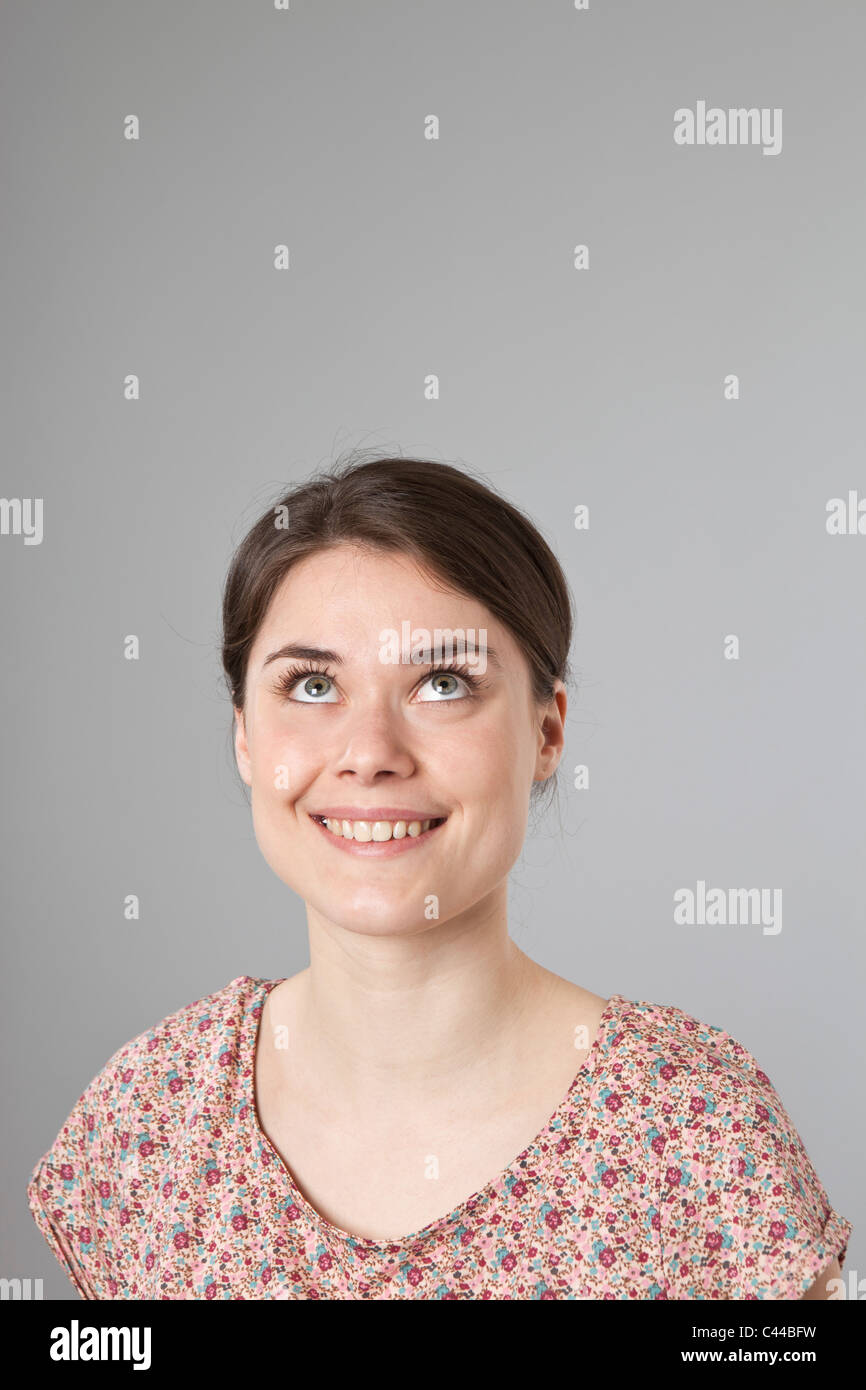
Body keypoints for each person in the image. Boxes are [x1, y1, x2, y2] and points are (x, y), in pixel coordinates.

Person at [27, 452, 852, 1299]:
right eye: (313, 686)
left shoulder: (695, 1133)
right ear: (244, 734)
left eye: (443, 682)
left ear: (547, 730)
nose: (370, 755)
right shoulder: (148, 1121)